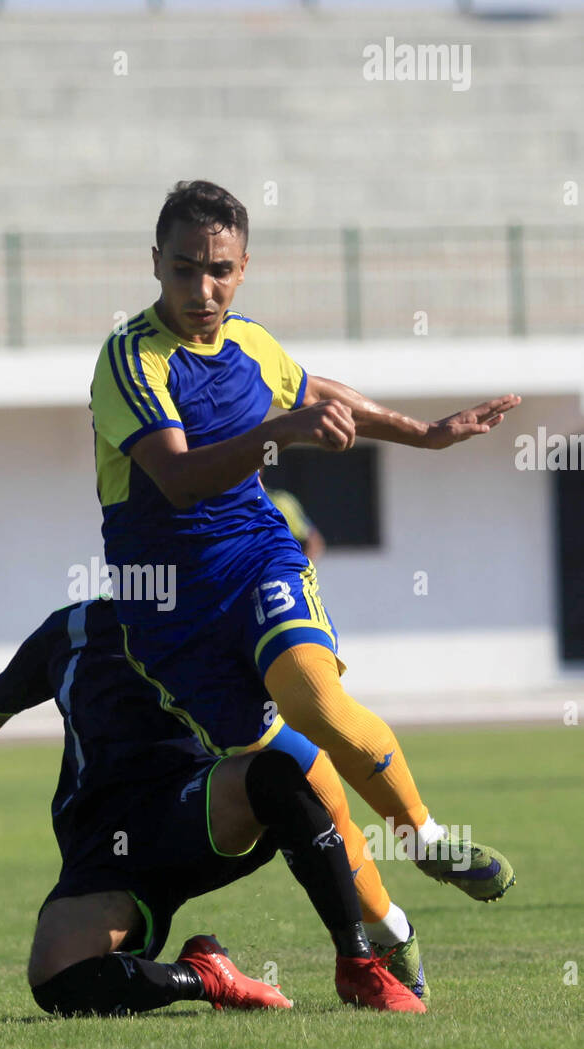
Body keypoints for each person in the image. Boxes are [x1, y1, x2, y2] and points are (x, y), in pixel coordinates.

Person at [88, 179, 519, 924]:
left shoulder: (252, 343)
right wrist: (279, 431)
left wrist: (423, 434)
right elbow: (180, 478)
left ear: (243, 267)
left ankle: (424, 838)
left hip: (256, 555)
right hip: (169, 609)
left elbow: (316, 390)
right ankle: (388, 934)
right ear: (155, 262)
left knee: (312, 697)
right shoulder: (131, 360)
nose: (202, 287)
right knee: (298, 778)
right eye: (185, 267)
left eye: (218, 269)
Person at [0, 598, 425, 1016]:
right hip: (103, 847)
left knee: (280, 776)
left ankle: (358, 964)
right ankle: (203, 977)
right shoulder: (70, 631)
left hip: (193, 809)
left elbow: (294, 692)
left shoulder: (214, 619)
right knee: (56, 981)